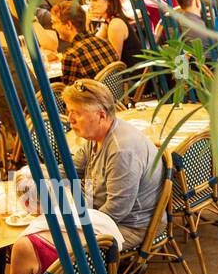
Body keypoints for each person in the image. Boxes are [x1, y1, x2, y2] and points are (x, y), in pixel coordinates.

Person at [63, 79, 162, 251]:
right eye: (69, 111)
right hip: (99, 213)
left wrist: (77, 226)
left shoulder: (121, 150)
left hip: (131, 227)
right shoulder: (97, 137)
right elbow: (70, 170)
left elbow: (117, 209)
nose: (70, 119)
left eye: (77, 113)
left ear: (101, 115)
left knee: (58, 246)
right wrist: (32, 177)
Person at [51, 2, 117, 85]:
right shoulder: (104, 43)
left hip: (94, 97)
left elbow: (69, 94)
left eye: (54, 22)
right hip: (118, 96)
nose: (53, 27)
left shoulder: (72, 56)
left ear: (68, 25)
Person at [89, 0, 143, 66]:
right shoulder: (108, 21)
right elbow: (92, 45)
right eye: (90, 1)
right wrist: (87, 21)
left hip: (133, 76)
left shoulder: (116, 24)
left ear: (109, 1)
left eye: (95, 0)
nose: (91, 5)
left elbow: (115, 62)